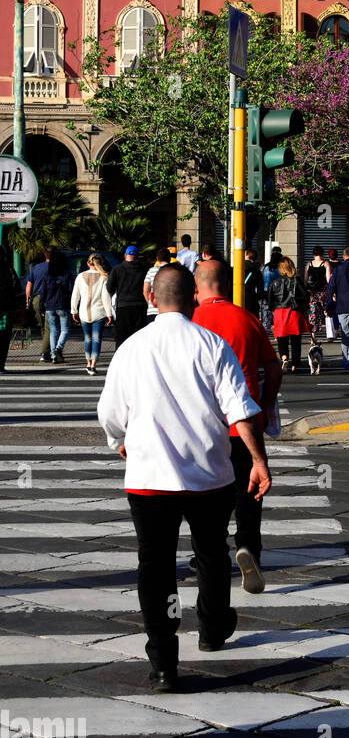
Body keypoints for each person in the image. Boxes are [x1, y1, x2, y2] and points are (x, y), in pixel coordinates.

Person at [97, 262, 270, 693]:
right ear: (192, 295)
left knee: (154, 566)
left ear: (151, 298)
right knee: (212, 552)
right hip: (209, 477)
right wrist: (258, 460)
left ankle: (162, 662)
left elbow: (109, 414)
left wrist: (118, 440)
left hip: (149, 478)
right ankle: (212, 629)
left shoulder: (132, 349)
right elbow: (241, 408)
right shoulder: (211, 344)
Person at [193, 259, 282, 594]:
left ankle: (206, 554)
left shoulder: (191, 322)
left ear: (197, 286)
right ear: (228, 284)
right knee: (250, 492)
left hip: (203, 428)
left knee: (207, 499)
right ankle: (249, 548)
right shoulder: (247, 319)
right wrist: (266, 403)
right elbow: (274, 369)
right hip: (245, 423)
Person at [71, 253, 113, 375]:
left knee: (87, 338)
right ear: (101, 263)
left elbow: (75, 296)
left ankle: (88, 362)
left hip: (83, 312)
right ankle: (93, 365)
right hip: (99, 313)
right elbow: (106, 298)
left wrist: (74, 311)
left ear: (88, 263)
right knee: (96, 338)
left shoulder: (79, 277)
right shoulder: (103, 277)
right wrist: (109, 314)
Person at [268, 257, 308, 373]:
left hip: (280, 312)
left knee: (281, 338)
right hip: (294, 312)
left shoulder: (274, 282)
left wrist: (273, 310)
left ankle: (284, 357)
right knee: (296, 340)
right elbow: (305, 296)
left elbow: (270, 300)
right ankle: (295, 365)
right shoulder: (297, 280)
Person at [107, 246, 149, 348]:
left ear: (125, 255)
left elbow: (109, 287)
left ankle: (121, 359)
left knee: (121, 337)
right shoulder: (144, 269)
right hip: (140, 306)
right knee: (139, 336)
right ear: (137, 256)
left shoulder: (117, 269)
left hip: (123, 306)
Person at [43, 249, 74, 365]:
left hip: (50, 306)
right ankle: (58, 348)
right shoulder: (67, 274)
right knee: (65, 330)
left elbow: (43, 292)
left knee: (53, 331)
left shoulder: (47, 275)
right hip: (63, 305)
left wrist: (42, 305)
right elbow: (71, 290)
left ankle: (52, 355)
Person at [0, 243, 26, 374]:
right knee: (4, 338)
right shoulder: (9, 269)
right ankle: (1, 365)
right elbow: (17, 289)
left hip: (6, 306)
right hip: (6, 307)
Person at [304, 246, 329, 373]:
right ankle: (330, 333)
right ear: (322, 254)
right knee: (326, 313)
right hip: (323, 292)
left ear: (313, 254)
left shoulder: (308, 264)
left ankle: (313, 338)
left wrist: (307, 290)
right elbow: (328, 280)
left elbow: (305, 280)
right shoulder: (325, 264)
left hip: (312, 292)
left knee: (313, 315)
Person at [25, 249, 53, 362]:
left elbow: (29, 285)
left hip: (36, 299)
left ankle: (47, 349)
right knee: (50, 327)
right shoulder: (57, 267)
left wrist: (27, 301)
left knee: (42, 326)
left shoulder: (37, 267)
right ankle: (45, 352)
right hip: (50, 299)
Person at [143, 248, 171, 323]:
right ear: (169, 258)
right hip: (170, 311)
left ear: (157, 258)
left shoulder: (151, 271)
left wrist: (150, 303)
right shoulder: (174, 270)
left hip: (153, 311)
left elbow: (145, 291)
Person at [260, 246, 282, 335]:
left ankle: (266, 330)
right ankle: (276, 330)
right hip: (276, 292)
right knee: (276, 312)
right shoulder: (278, 269)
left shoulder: (265, 268)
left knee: (266, 312)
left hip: (265, 291)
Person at [243, 248, 265, 319]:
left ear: (247, 256)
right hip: (252, 303)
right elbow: (260, 290)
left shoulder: (238, 268)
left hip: (237, 300)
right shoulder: (257, 272)